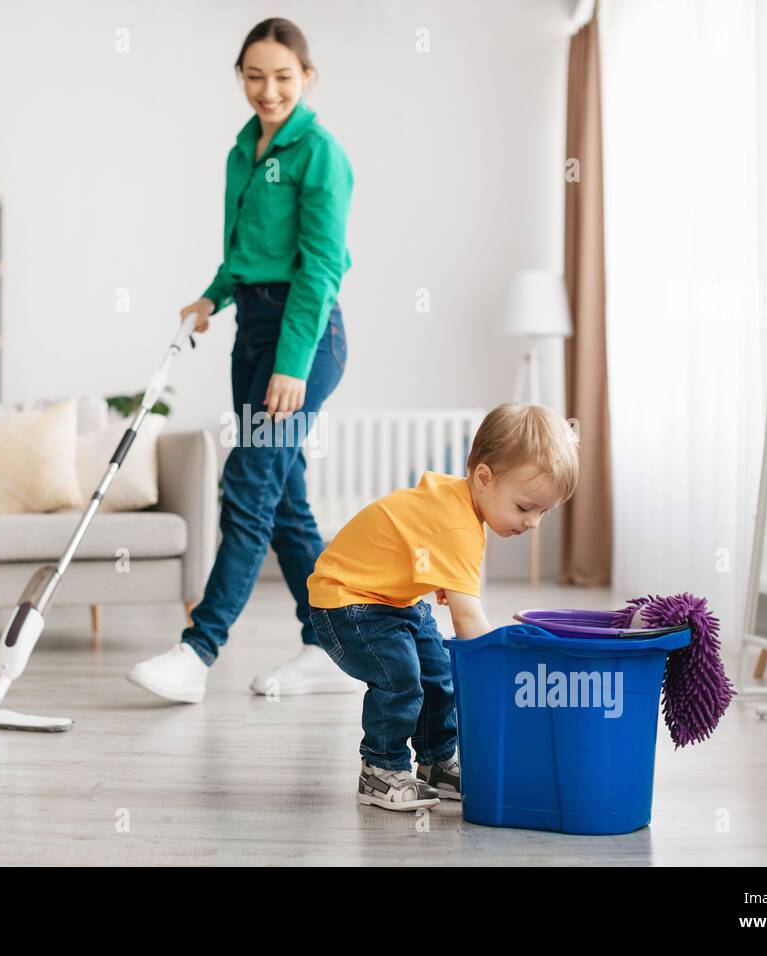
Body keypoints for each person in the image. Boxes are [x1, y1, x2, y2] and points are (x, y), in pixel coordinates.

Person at [129, 18, 357, 703]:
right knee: (286, 506)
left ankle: (198, 652)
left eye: (283, 76)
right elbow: (247, 256)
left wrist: (292, 363)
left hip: (306, 340)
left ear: (307, 77)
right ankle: (334, 646)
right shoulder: (243, 150)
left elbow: (318, 268)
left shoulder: (319, 152)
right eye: (255, 76)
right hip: (252, 332)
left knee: (248, 484)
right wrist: (210, 297)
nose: (268, 89)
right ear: (241, 77)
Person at [306, 404, 581, 811]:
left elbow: (419, 547)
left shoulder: (464, 505)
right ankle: (380, 771)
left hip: (395, 598)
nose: (534, 522)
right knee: (401, 679)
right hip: (349, 602)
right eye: (526, 507)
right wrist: (505, 674)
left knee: (438, 673)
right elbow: (469, 621)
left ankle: (436, 762)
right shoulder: (457, 526)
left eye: (545, 511)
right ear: (484, 478)